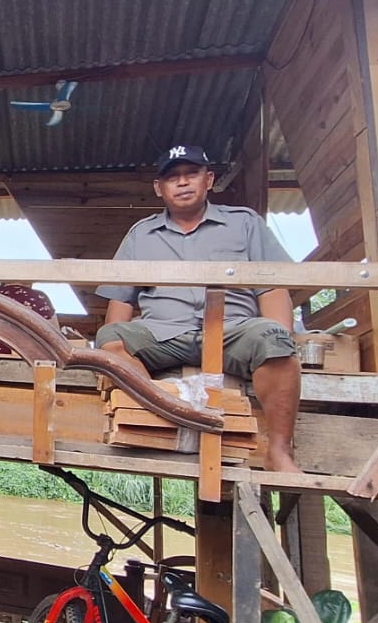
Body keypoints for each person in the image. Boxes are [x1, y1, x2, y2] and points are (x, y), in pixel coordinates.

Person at [95, 145, 302, 473]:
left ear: (209, 180)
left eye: (191, 174)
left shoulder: (244, 223)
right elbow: (120, 303)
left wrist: (282, 340)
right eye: (172, 177)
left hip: (232, 331)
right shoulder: (141, 234)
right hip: (163, 334)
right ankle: (162, 412)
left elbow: (273, 288)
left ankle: (278, 451)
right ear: (158, 188)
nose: (182, 182)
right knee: (110, 338)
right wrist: (109, 350)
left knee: (274, 339)